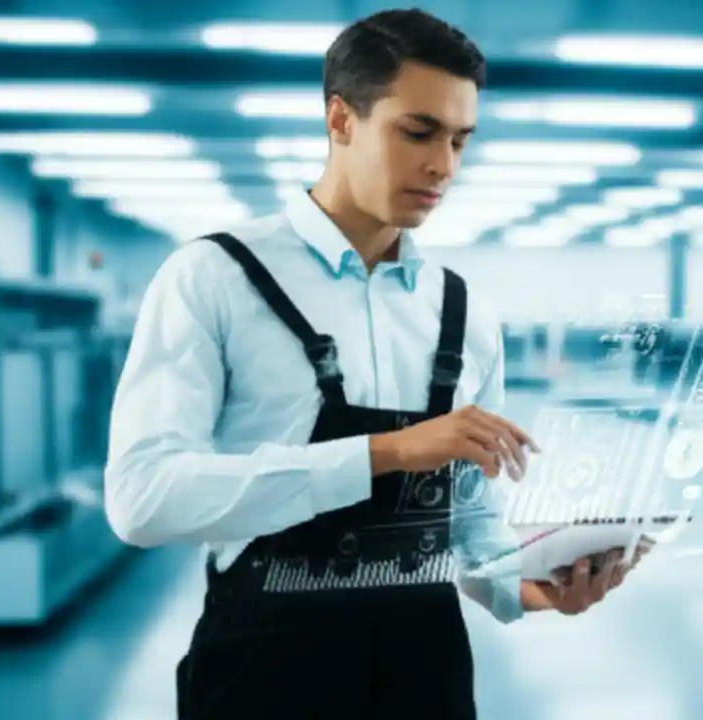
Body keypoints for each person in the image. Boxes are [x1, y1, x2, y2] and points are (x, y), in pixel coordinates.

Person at [104, 9, 646, 719]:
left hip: (425, 672)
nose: (444, 165)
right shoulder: (214, 278)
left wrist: (531, 585)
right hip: (264, 672)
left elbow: (468, 525)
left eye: (460, 140)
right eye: (418, 132)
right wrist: (386, 452)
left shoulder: (464, 313)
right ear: (341, 119)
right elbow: (142, 499)